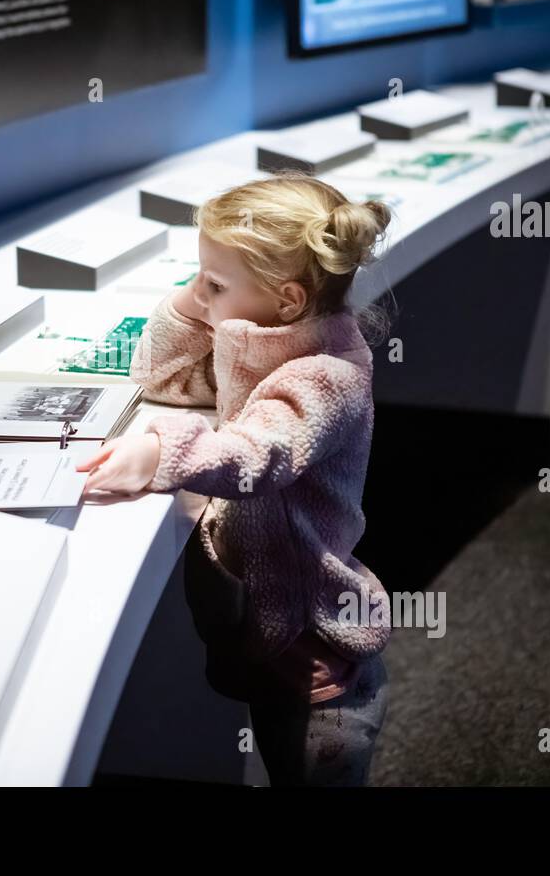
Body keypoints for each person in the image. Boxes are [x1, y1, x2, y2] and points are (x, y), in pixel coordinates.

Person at [76, 172, 393, 786]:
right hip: (272, 648)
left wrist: (159, 451)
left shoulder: (325, 378)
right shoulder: (266, 339)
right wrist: (194, 302)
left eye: (215, 284)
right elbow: (159, 377)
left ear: (288, 301)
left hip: (320, 678)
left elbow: (257, 455)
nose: (200, 293)